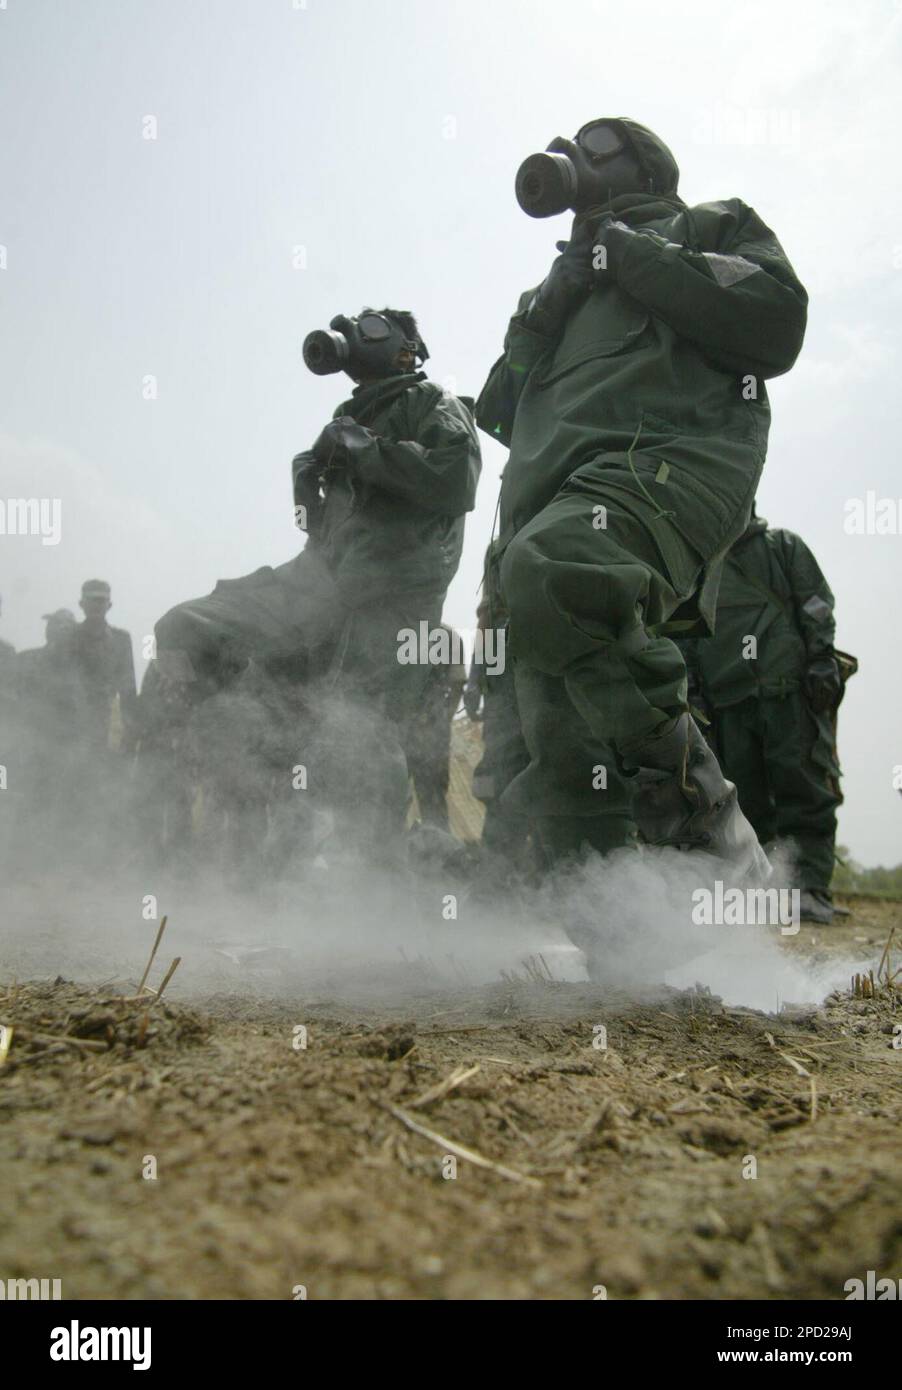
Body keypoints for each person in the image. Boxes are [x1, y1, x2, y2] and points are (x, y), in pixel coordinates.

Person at [476, 116, 807, 880]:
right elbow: (498, 413)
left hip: (666, 464)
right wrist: (550, 301)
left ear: (648, 166)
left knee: (562, 563)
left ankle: (711, 828)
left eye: (595, 147)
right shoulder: (559, 290)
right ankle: (620, 927)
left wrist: (627, 251)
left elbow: (776, 320)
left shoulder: (709, 226)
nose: (571, 159)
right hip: (544, 515)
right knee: (560, 730)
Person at [156, 308, 481, 861]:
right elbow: (312, 530)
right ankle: (258, 780)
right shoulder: (345, 417)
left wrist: (363, 451)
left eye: (373, 327)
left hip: (392, 593)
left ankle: (374, 881)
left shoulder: (434, 405)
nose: (355, 334)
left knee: (360, 730)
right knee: (184, 628)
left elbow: (455, 481)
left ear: (406, 350)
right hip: (315, 584)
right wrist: (306, 483)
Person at [680, 513, 851, 924]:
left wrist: (822, 656)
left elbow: (815, 602)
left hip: (787, 693)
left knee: (804, 788)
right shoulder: (697, 568)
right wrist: (693, 689)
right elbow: (684, 633)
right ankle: (764, 893)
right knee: (744, 801)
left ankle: (808, 888)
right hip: (727, 704)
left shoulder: (782, 547)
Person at [405, 624, 467, 832]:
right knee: (433, 798)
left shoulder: (399, 630)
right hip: (433, 728)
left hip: (403, 726)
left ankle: (390, 854)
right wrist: (444, 719)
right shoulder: (449, 635)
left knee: (393, 794)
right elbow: (457, 684)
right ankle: (439, 852)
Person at [70, 579, 138, 752]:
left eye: (101, 600)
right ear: (81, 604)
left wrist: (129, 736)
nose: (96, 605)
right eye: (92, 600)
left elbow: (128, 691)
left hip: (104, 725)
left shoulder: (121, 640)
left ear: (109, 605)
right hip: (68, 726)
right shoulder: (68, 638)